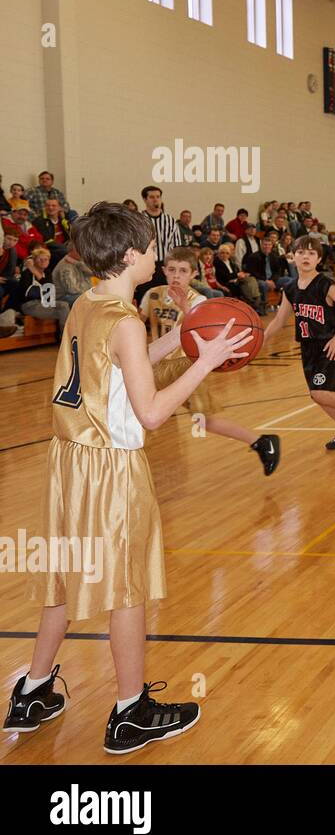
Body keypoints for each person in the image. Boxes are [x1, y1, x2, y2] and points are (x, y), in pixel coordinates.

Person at [2, 202, 250, 751]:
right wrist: (204, 362)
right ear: (133, 255)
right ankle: (130, 710)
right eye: (153, 246)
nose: (160, 255)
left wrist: (185, 336)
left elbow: (120, 363)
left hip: (68, 461)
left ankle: (33, 689)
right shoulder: (127, 321)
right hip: (110, 468)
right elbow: (154, 412)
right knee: (128, 586)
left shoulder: (89, 304)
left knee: (65, 575)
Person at [141, 247, 280, 475]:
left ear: (194, 274)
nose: (176, 275)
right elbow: (138, 324)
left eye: (183, 271)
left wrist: (186, 308)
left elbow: (206, 335)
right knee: (142, 413)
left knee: (203, 421)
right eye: (172, 270)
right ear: (163, 270)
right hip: (154, 366)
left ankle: (261, 442)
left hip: (187, 367)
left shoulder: (200, 300)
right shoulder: (152, 294)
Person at [263, 237, 335, 450]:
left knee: (319, 393)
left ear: (319, 258)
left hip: (328, 345)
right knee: (318, 396)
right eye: (301, 252)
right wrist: (260, 341)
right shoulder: (290, 288)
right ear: (293, 257)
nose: (306, 257)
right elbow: (279, 320)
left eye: (311, 253)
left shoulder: (326, 285)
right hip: (307, 346)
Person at [19, 249, 70, 337]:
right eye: (40, 259)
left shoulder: (47, 272)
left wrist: (34, 271)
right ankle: (64, 339)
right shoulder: (26, 273)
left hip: (45, 303)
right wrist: (32, 270)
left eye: (46, 259)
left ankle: (64, 338)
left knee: (64, 306)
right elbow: (27, 295)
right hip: (30, 305)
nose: (43, 261)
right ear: (34, 260)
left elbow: (49, 289)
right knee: (63, 312)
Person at [214, 242, 263, 312]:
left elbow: (235, 272)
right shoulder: (217, 262)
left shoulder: (230, 261)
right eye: (222, 253)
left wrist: (240, 274)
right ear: (219, 254)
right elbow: (224, 276)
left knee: (251, 279)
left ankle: (255, 299)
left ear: (229, 254)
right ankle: (254, 302)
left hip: (235, 279)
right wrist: (237, 275)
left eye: (227, 253)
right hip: (226, 282)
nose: (224, 255)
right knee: (246, 282)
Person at [244, 233, 289, 307]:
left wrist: (272, 280)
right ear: (261, 245)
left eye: (269, 245)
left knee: (288, 280)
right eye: (265, 245)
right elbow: (252, 272)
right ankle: (263, 306)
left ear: (272, 246)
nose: (267, 247)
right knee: (263, 284)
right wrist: (266, 280)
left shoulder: (274, 256)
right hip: (259, 279)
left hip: (272, 279)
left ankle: (283, 303)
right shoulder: (253, 257)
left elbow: (278, 271)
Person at [32, 197, 72, 267]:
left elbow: (71, 233)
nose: (50, 208)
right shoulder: (39, 221)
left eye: (53, 205)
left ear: (59, 208)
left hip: (65, 246)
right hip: (50, 248)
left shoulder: (63, 219)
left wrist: (63, 219)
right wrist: (64, 248)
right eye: (48, 205)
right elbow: (46, 239)